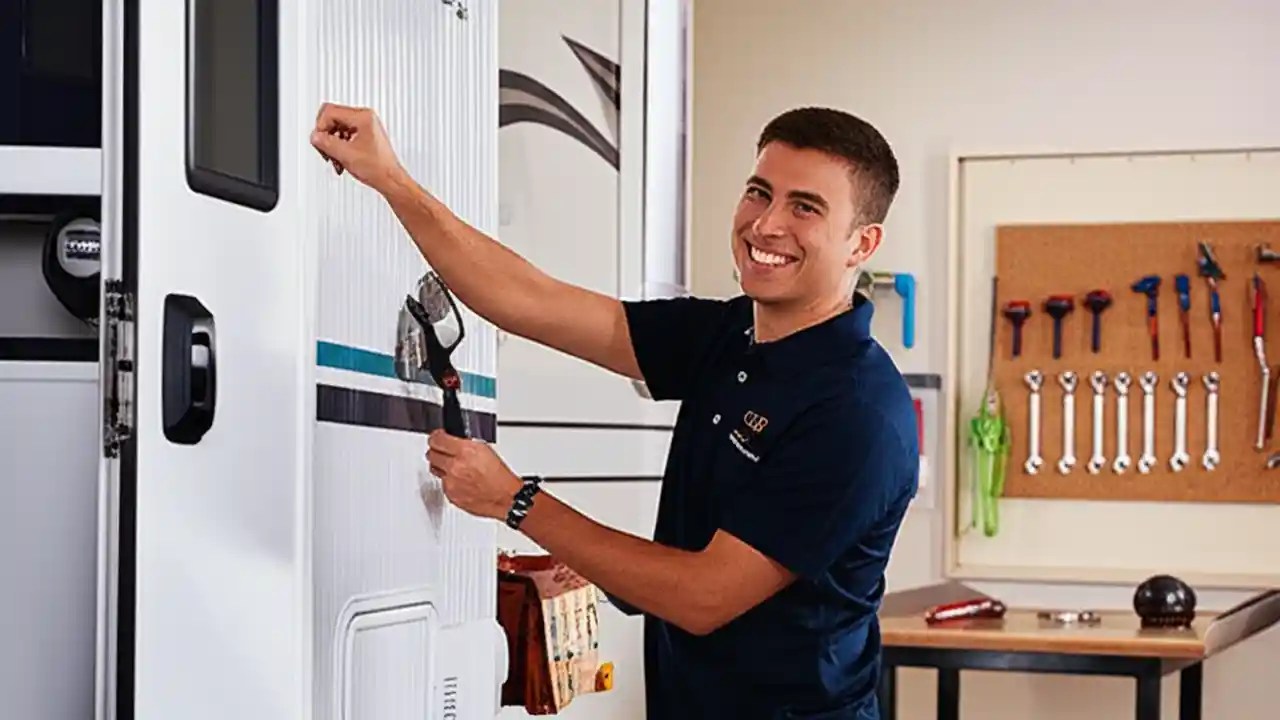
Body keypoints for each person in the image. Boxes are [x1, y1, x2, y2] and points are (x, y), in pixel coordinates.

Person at [310, 103, 919, 720]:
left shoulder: (856, 413)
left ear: (861, 243)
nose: (766, 224)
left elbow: (704, 597)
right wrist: (390, 179)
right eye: (759, 193)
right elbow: (530, 300)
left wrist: (516, 501)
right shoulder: (726, 335)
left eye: (804, 207)